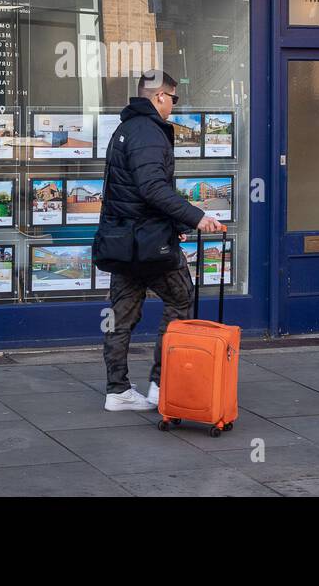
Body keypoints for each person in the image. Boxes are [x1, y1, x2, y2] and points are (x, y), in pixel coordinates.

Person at [96, 69, 226, 412]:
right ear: (159, 97)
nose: (173, 107)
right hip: (150, 244)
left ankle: (117, 390)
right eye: (173, 99)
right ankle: (162, 382)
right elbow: (153, 188)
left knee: (121, 316)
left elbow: (132, 192)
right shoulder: (150, 133)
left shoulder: (125, 129)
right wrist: (197, 217)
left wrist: (172, 220)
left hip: (123, 240)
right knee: (181, 298)